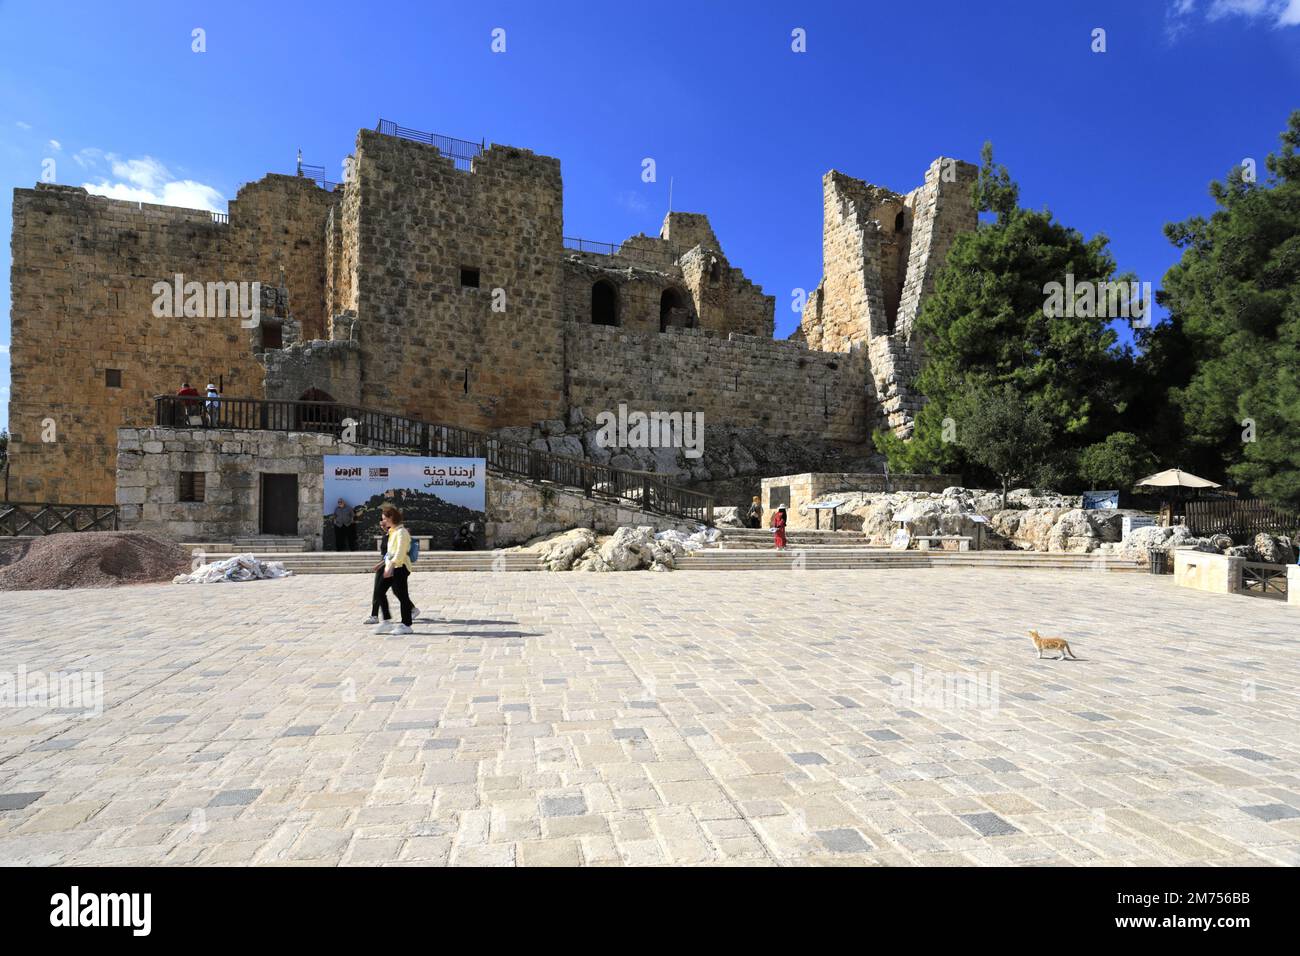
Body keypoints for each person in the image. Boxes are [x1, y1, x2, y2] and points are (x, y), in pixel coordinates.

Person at [364, 504, 419, 634]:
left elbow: (400, 552)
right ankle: (386, 621)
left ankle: (406, 625)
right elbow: (390, 552)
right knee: (379, 592)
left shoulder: (402, 532)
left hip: (400, 568)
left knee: (402, 595)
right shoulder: (392, 531)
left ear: (391, 518)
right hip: (391, 566)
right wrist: (383, 563)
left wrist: (392, 566)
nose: (383, 521)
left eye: (384, 518)